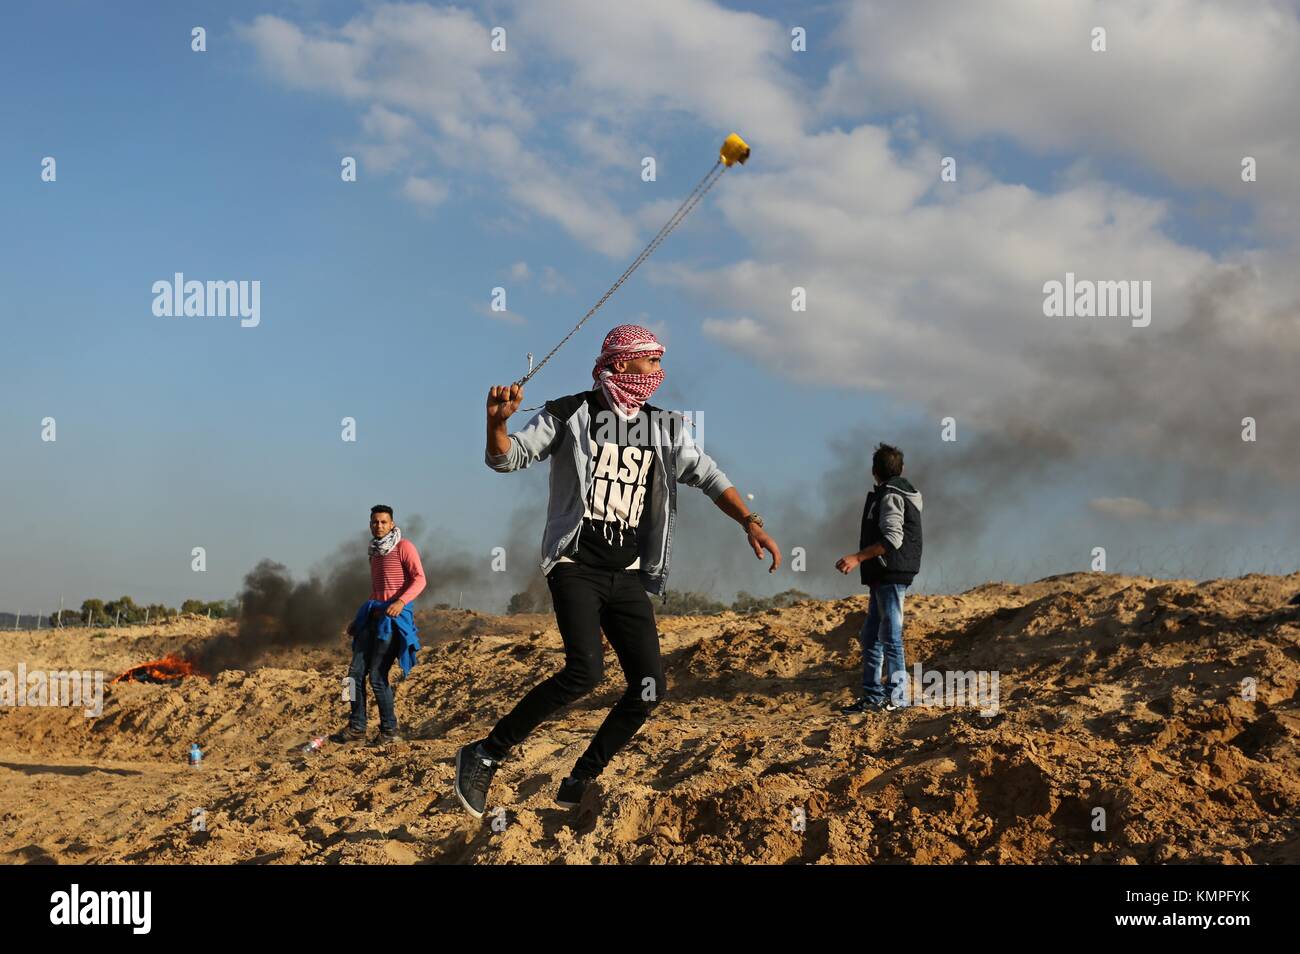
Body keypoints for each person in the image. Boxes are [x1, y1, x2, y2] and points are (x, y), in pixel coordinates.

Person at [455, 324, 781, 818]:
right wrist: (496, 424)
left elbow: (708, 474)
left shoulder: (665, 427)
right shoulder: (571, 412)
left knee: (649, 686)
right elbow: (506, 460)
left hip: (628, 573)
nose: (658, 370)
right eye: (650, 361)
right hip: (575, 566)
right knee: (584, 672)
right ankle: (485, 754)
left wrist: (750, 522)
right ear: (622, 362)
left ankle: (579, 779)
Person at [835, 444, 923, 713]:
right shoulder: (897, 494)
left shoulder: (891, 496)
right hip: (884, 575)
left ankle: (897, 699)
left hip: (890, 574)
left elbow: (892, 539)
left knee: (890, 636)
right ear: (902, 469)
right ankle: (874, 697)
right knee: (871, 635)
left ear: (874, 471)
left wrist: (858, 557)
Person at [331, 505, 424, 745]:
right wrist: (359, 618)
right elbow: (377, 590)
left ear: (392, 524)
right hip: (373, 616)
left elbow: (420, 579)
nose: (379, 526)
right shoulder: (374, 552)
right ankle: (356, 727)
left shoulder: (404, 547)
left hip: (393, 621)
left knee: (377, 676)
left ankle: (389, 730)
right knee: (353, 675)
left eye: (383, 522)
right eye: (375, 522)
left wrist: (401, 602)